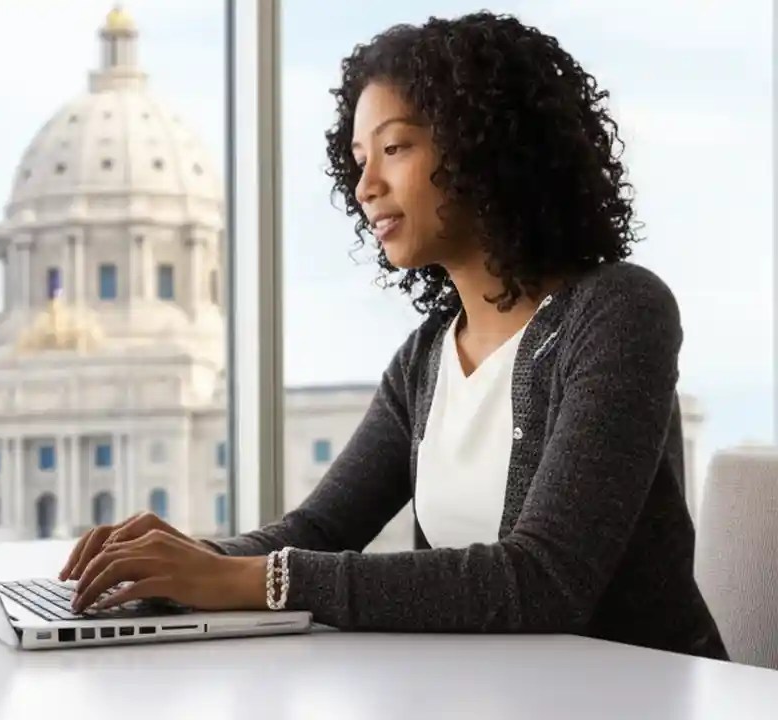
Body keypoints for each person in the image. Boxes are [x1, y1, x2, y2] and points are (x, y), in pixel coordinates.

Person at [59, 10, 728, 661]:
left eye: (395, 148)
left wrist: (254, 580)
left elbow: (544, 580)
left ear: (484, 145)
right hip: (488, 696)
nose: (365, 186)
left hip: (636, 696)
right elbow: (317, 530)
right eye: (358, 160)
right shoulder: (426, 357)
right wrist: (175, 565)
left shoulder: (619, 311)